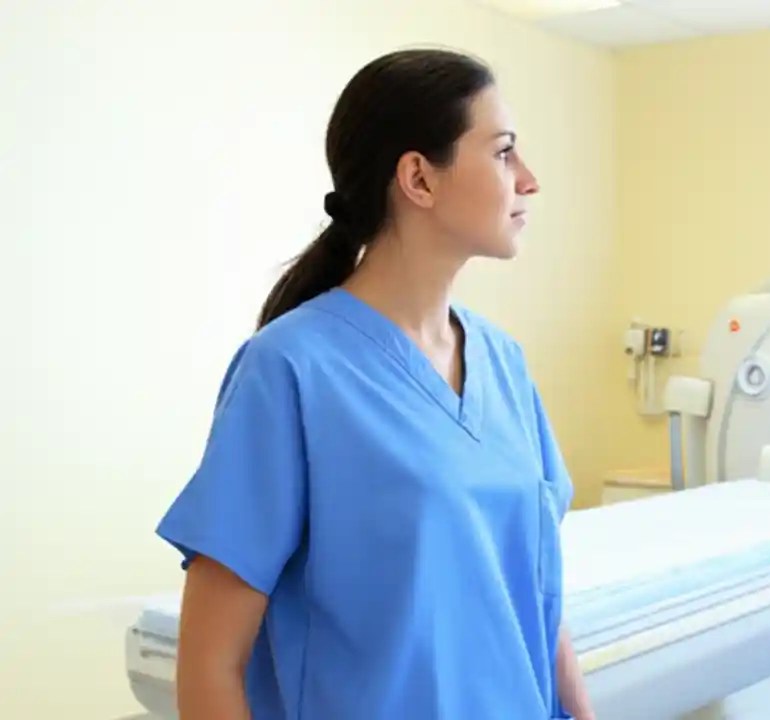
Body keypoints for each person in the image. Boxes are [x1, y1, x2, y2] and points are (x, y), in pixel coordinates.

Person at [155, 48, 594, 720]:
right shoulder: (290, 370)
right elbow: (212, 665)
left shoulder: (503, 363)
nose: (528, 180)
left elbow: (535, 602)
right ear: (419, 178)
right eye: (503, 152)